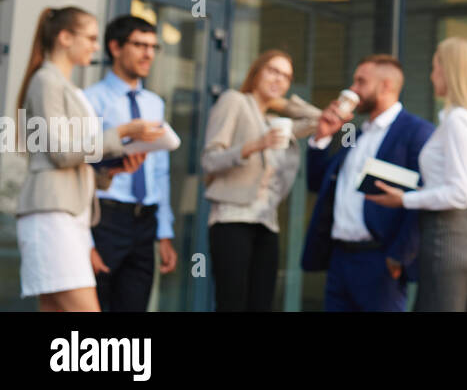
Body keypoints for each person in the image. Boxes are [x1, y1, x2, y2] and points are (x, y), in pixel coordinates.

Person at [16, 6, 159, 311]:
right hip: (53, 215)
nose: (97, 46)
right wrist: (121, 131)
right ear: (65, 37)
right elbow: (61, 152)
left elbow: (73, 158)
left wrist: (111, 171)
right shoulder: (47, 82)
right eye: (91, 38)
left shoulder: (67, 88)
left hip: (70, 214)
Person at [368, 37, 467, 312]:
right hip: (446, 236)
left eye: (435, 67)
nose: (431, 75)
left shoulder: (458, 121)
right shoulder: (460, 119)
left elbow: (461, 192)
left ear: (450, 71)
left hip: (445, 238)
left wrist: (405, 199)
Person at [302, 55, 434, 311]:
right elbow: (318, 184)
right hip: (339, 259)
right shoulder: (356, 135)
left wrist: (399, 256)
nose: (353, 89)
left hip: (380, 262)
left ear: (386, 86)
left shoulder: (416, 132)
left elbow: (422, 198)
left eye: (361, 82)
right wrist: (321, 138)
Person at [202, 49, 322, 311]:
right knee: (232, 303)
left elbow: (318, 120)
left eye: (286, 76)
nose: (279, 79)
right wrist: (255, 145)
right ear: (256, 72)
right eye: (273, 71)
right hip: (232, 217)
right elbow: (209, 160)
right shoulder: (234, 101)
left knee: (261, 304)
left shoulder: (276, 121)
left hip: (267, 222)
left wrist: (283, 103)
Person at [82, 15, 176, 311]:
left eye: (153, 47)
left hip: (144, 221)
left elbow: (160, 170)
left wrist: (164, 232)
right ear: (115, 47)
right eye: (139, 45)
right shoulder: (89, 100)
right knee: (96, 304)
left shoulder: (154, 103)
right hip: (105, 216)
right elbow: (79, 163)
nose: (148, 54)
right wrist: (84, 239)